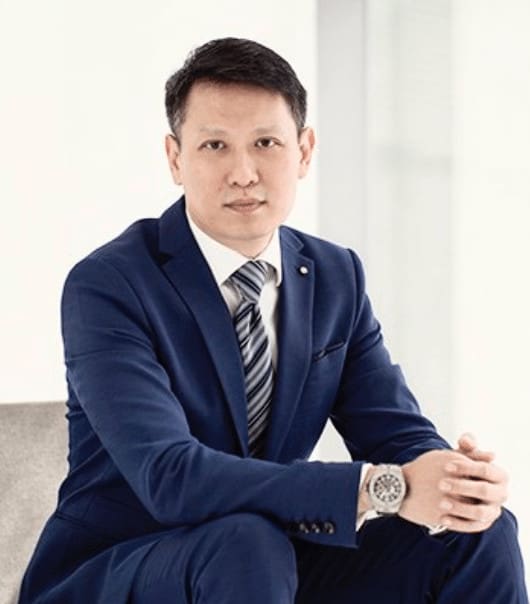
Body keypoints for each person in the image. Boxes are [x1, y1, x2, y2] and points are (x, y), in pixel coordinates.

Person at [20, 37, 527, 603]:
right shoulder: (110, 284)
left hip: (265, 562)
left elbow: (395, 431)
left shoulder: (334, 275)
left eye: (266, 143)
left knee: (478, 535)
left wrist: (456, 483)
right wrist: (381, 487)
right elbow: (169, 476)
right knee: (246, 544)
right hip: (122, 567)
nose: (243, 173)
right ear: (175, 158)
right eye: (215, 145)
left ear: (304, 151)